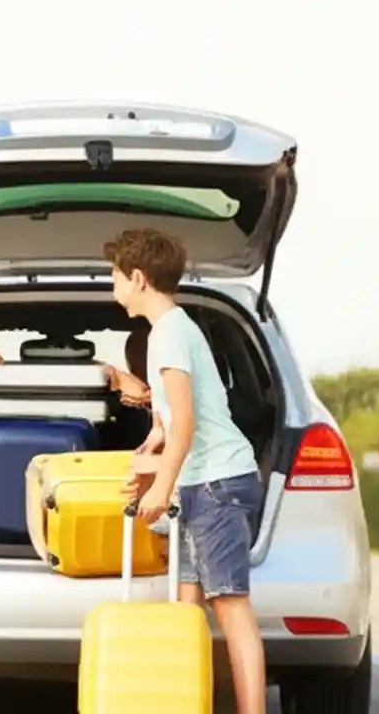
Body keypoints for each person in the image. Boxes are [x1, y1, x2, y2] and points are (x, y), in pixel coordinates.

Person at [108, 228, 266, 714]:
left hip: (218, 481)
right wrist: (155, 431)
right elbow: (177, 414)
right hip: (203, 480)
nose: (110, 285)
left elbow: (190, 422)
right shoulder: (170, 331)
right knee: (186, 606)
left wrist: (161, 486)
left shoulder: (170, 332)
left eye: (113, 276)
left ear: (138, 278)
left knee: (231, 608)